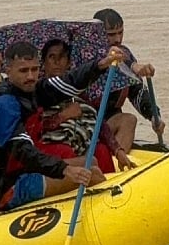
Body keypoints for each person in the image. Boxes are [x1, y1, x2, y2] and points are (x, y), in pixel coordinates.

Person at [0, 40, 126, 211]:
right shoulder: (3, 104)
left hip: (26, 171)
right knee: (92, 175)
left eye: (34, 69)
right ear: (8, 71)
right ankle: (107, 214)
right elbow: (22, 150)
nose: (30, 76)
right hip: (9, 186)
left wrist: (100, 65)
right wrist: (64, 170)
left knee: (90, 161)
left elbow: (70, 81)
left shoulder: (34, 90)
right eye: (23, 71)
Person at [37, 38, 127, 172]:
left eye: (62, 57)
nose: (57, 61)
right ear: (43, 63)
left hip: (82, 143)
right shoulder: (39, 91)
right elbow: (36, 129)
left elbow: (98, 124)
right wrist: (63, 116)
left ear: (69, 63)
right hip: (54, 146)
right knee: (66, 151)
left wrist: (118, 150)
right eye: (51, 57)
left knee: (100, 150)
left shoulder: (80, 94)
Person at [90, 8, 164, 156]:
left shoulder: (125, 53)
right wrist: (134, 66)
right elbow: (121, 61)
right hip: (91, 124)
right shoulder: (88, 55)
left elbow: (137, 91)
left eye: (120, 33)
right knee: (128, 120)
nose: (117, 39)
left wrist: (154, 116)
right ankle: (117, 165)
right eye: (111, 35)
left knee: (127, 119)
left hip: (111, 120)